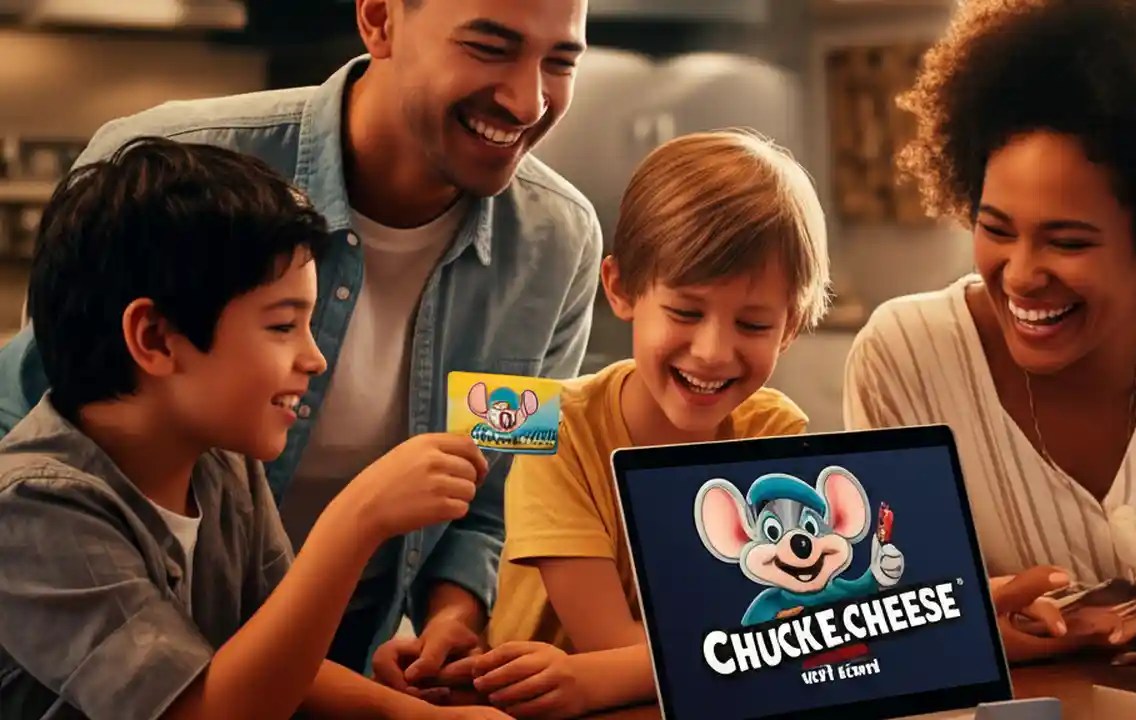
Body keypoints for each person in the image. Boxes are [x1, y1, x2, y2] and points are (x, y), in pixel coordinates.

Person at [0, 0, 602, 682]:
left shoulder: (559, 244)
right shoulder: (181, 165)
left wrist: (450, 621)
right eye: (490, 47)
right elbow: (33, 423)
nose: (528, 101)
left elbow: (492, 496)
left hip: (323, 673)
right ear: (378, 19)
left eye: (561, 61)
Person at [0, 138, 510, 719]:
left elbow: (278, 655)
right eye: (282, 325)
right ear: (155, 338)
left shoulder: (222, 465)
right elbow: (204, 710)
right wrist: (357, 519)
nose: (314, 358)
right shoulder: (32, 506)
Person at [842, 0, 1136, 661]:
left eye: (1067, 242)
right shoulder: (906, 357)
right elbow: (889, 629)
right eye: (995, 230)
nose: (1019, 276)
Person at [376, 129, 832, 716]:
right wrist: (752, 652)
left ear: (790, 327)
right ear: (620, 289)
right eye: (685, 312)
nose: (714, 351)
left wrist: (608, 676)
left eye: (753, 325)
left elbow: (790, 636)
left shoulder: (776, 429)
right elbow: (616, 641)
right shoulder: (550, 424)